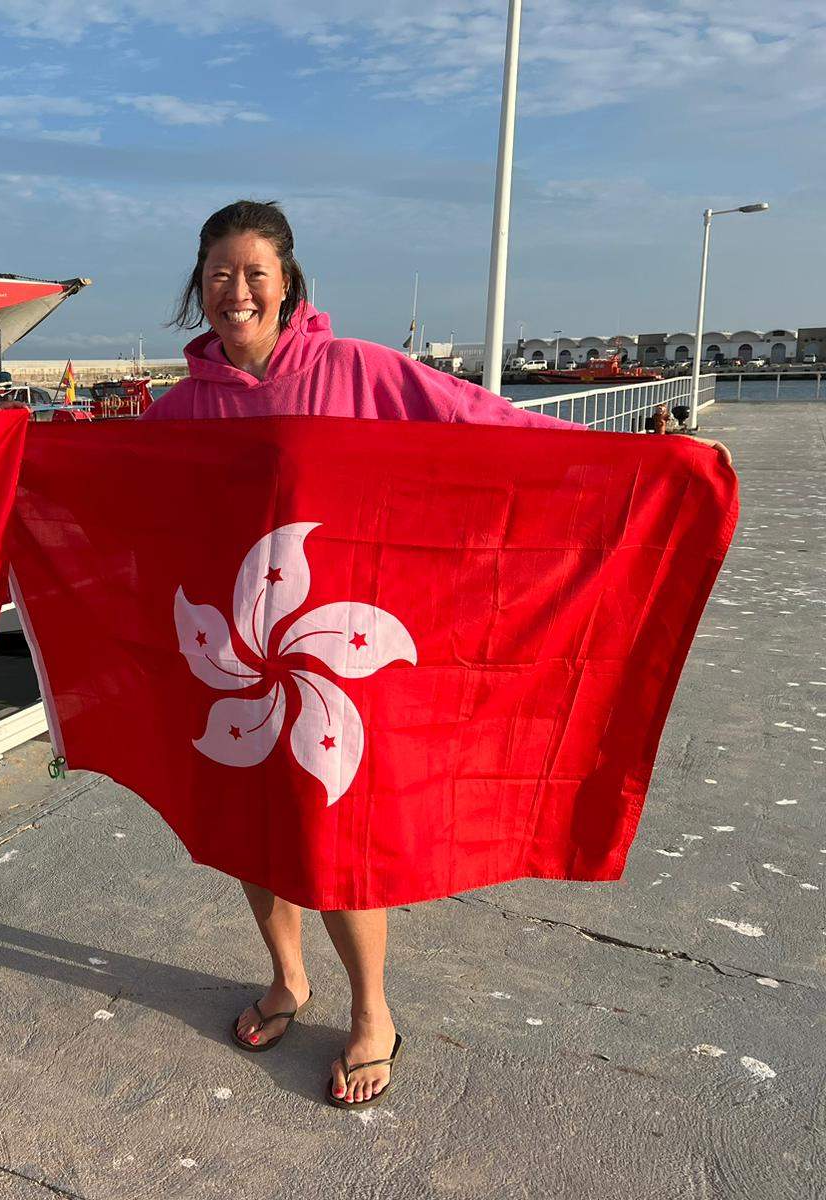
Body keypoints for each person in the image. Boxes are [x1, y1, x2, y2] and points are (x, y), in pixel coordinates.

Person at [142, 199, 728, 1110]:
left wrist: (635, 457)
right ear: (200, 285)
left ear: (288, 283)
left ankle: (372, 1013)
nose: (237, 291)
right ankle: (287, 980)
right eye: (220, 273)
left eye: (256, 272)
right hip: (236, 658)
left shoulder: (357, 371)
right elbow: (124, 501)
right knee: (247, 830)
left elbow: (481, 422)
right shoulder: (179, 409)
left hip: (338, 653)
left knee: (337, 835)